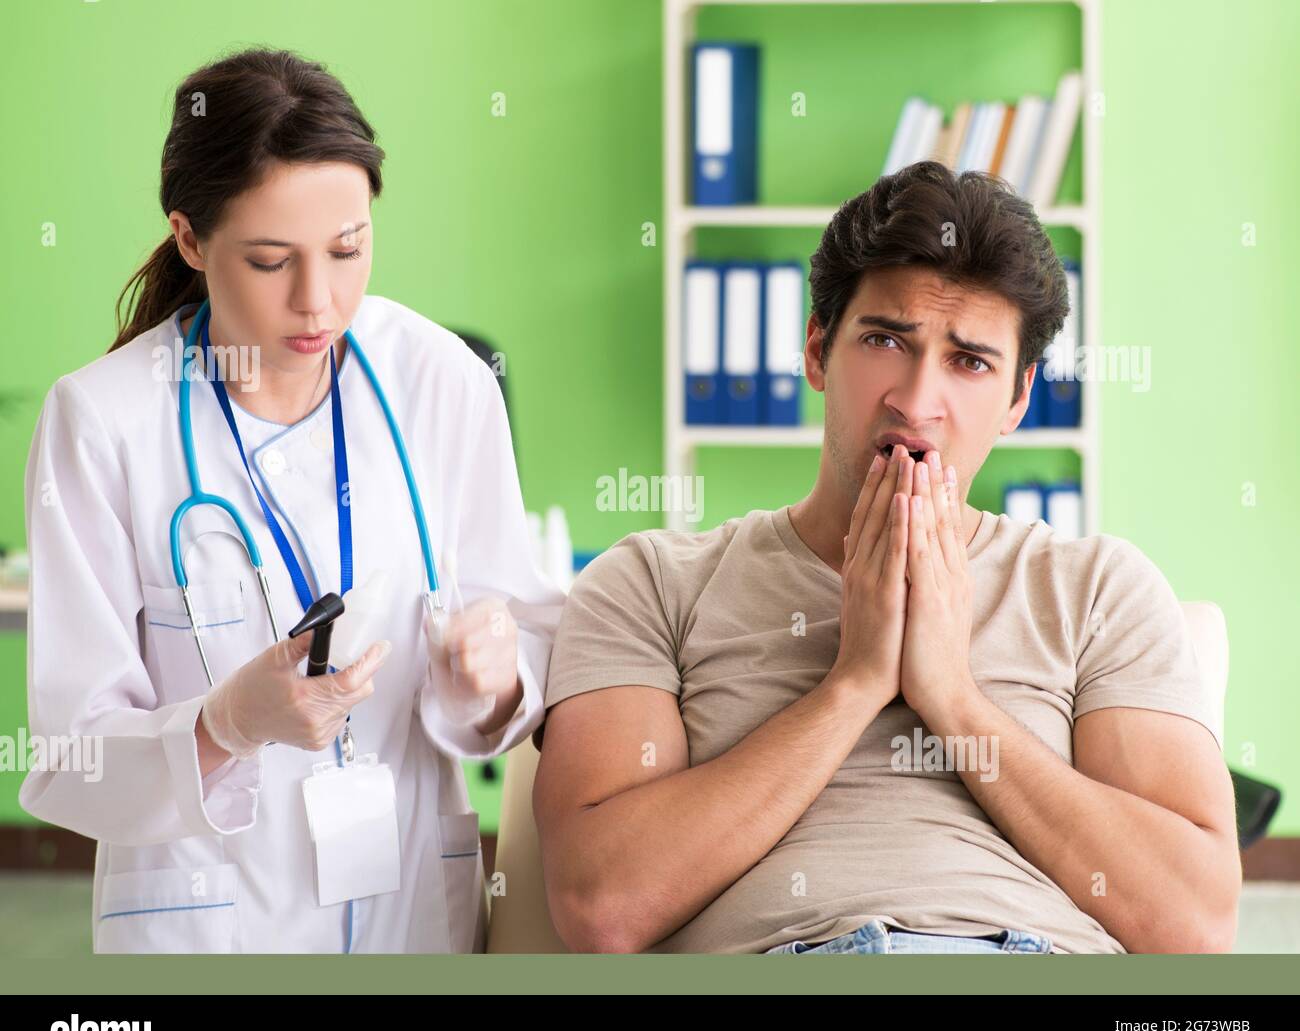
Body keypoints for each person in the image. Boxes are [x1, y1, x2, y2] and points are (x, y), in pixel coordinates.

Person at [533, 161, 1240, 955]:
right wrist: (857, 681)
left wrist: (952, 697)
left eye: (969, 362)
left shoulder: (1096, 588)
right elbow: (602, 907)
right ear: (816, 351)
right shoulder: (650, 583)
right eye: (883, 340)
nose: (915, 398)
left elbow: (1195, 925)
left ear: (1017, 400)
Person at [20, 48, 563, 954]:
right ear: (191, 239)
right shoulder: (102, 421)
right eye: (271, 261)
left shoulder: (442, 384)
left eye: (348, 250)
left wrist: (497, 680)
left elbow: (524, 646)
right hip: (204, 933)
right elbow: (72, 760)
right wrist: (224, 724)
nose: (319, 303)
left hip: (412, 919)